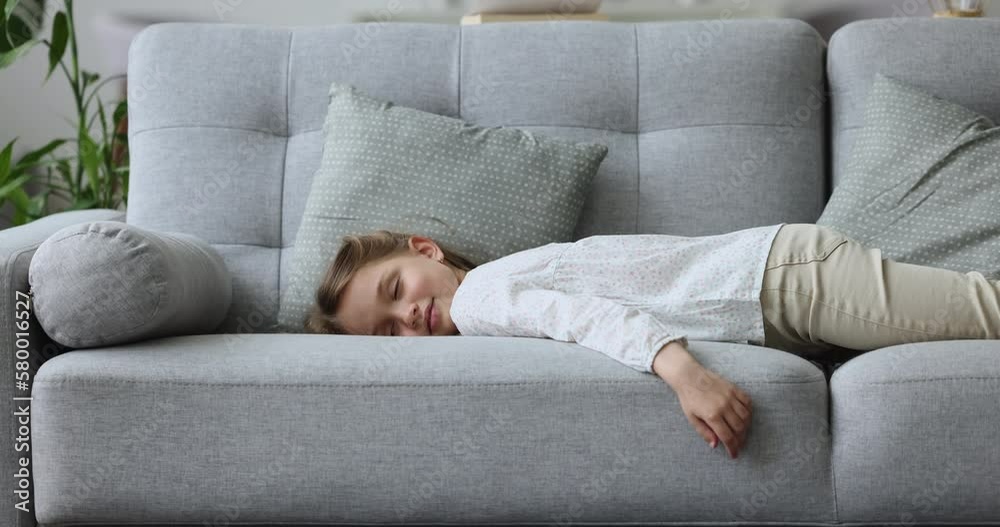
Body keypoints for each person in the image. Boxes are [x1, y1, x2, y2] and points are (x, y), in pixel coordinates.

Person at [304, 223, 1000, 460]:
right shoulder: (487, 305)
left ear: (426, 250)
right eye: (387, 329)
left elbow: (586, 317)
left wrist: (683, 372)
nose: (409, 315)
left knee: (984, 313)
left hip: (787, 282)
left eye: (395, 288)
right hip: (783, 285)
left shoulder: (482, 296)